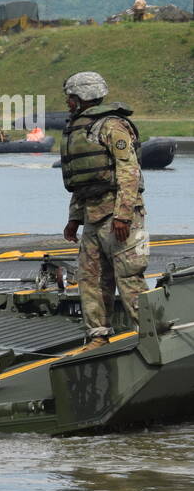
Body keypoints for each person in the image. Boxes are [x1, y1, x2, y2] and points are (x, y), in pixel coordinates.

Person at [60, 71, 148, 349]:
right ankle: (98, 335)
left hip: (119, 215)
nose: (68, 102)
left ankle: (149, 334)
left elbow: (128, 173)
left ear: (82, 96)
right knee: (91, 278)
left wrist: (124, 214)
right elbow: (83, 181)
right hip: (92, 216)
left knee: (129, 276)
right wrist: (74, 219)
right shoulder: (80, 128)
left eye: (71, 97)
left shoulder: (112, 126)